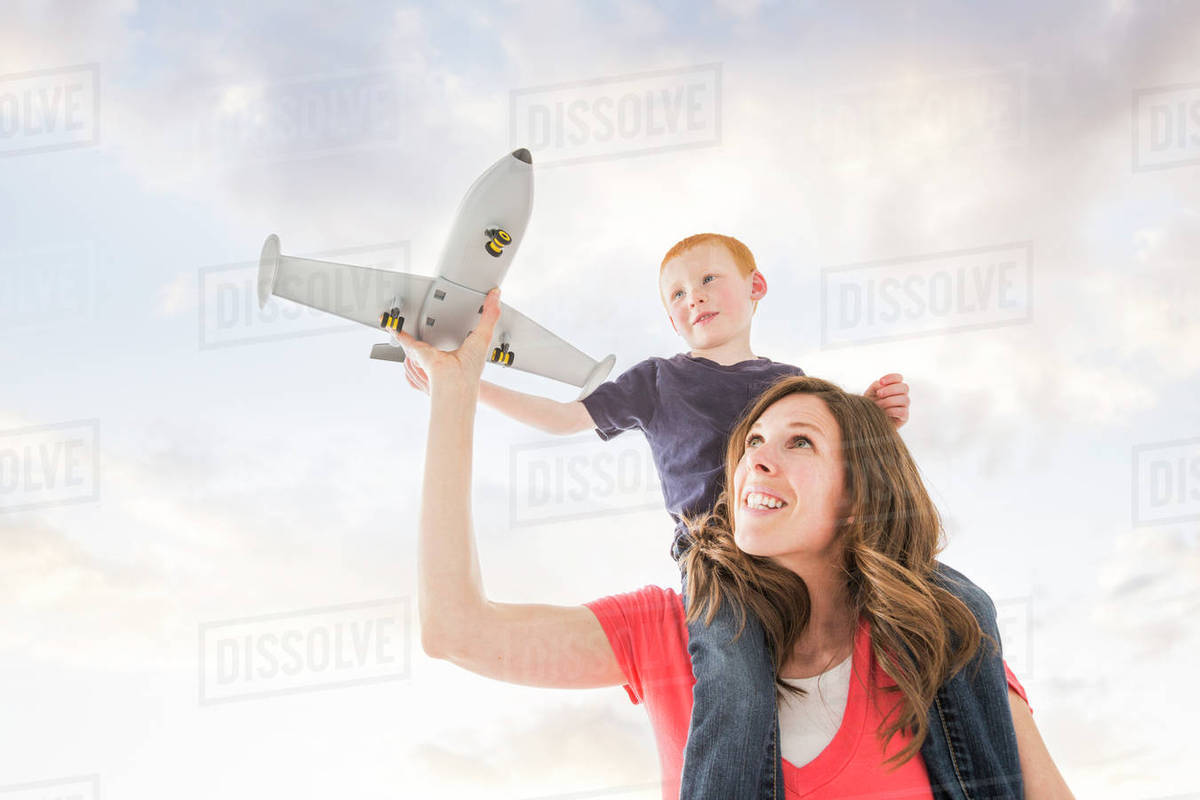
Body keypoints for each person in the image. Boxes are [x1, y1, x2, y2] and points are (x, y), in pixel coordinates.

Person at [399, 289, 1075, 800]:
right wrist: (454, 393)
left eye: (799, 441)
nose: (757, 459)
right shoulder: (667, 633)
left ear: (859, 490)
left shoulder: (944, 646)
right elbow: (456, 631)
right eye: (751, 443)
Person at [402, 233, 910, 798]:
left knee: (943, 607)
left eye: (709, 279)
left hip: (797, 552)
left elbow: (834, 454)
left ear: (755, 286)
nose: (693, 297)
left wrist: (871, 417)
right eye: (676, 294)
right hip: (718, 561)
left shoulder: (789, 384)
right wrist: (468, 385)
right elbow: (563, 418)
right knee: (733, 676)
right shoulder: (660, 380)